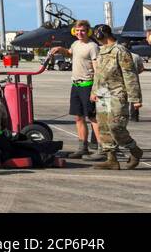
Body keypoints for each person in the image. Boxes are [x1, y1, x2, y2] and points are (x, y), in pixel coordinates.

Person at [90, 23, 144, 170]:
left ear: (102, 34)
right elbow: (99, 73)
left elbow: (130, 75)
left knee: (116, 126)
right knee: (104, 127)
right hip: (102, 95)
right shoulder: (102, 51)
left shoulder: (120, 51)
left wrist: (135, 99)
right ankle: (111, 159)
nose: (95, 38)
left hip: (117, 94)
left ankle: (135, 150)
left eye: (96, 35)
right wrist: (94, 91)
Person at [47, 20, 101, 159]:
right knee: (78, 117)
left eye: (82, 30)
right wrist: (60, 49)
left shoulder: (93, 46)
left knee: (93, 118)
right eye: (77, 31)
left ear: (88, 31)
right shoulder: (76, 44)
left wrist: (95, 90)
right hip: (76, 85)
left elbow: (98, 70)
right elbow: (70, 53)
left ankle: (102, 149)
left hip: (88, 85)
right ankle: (82, 147)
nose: (79, 33)